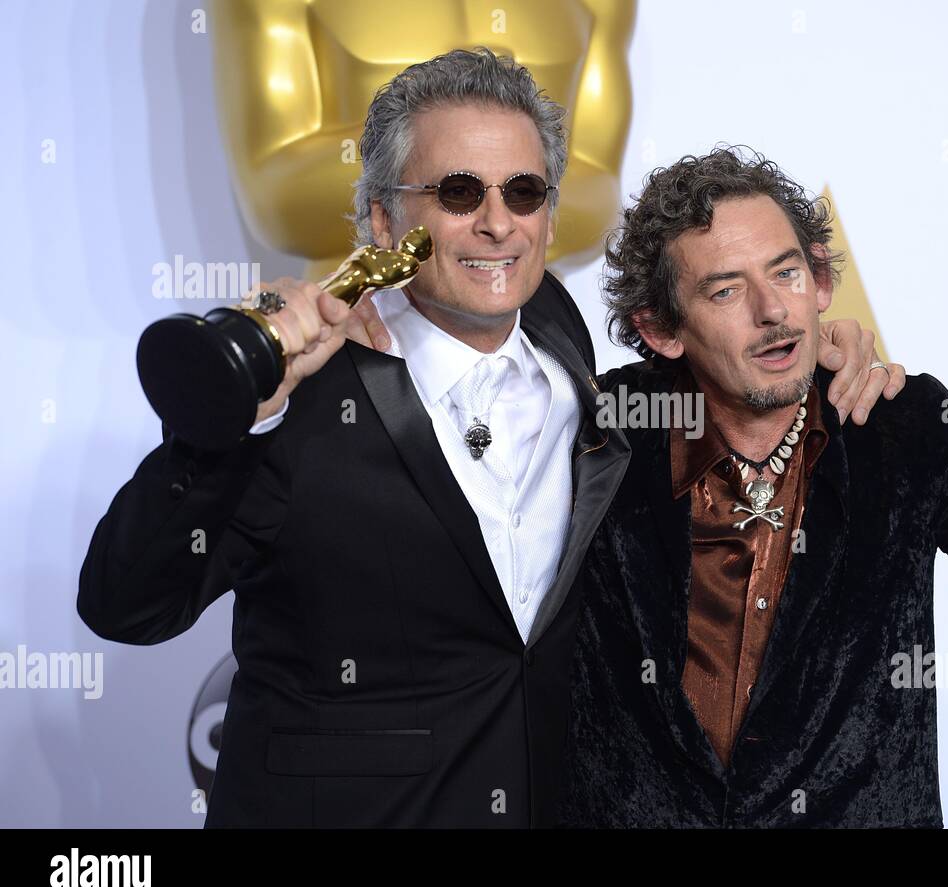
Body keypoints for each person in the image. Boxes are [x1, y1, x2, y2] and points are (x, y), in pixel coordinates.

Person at [77, 51, 901, 828]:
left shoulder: (563, 339)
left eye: (525, 192)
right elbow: (127, 605)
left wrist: (825, 350)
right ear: (382, 216)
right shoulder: (302, 403)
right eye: (460, 193)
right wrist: (227, 422)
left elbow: (723, 370)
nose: (498, 225)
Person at [555, 147, 948, 828]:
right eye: (725, 290)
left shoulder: (902, 430)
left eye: (785, 273)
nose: (771, 311)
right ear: (659, 329)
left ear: (819, 282)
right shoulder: (595, 431)